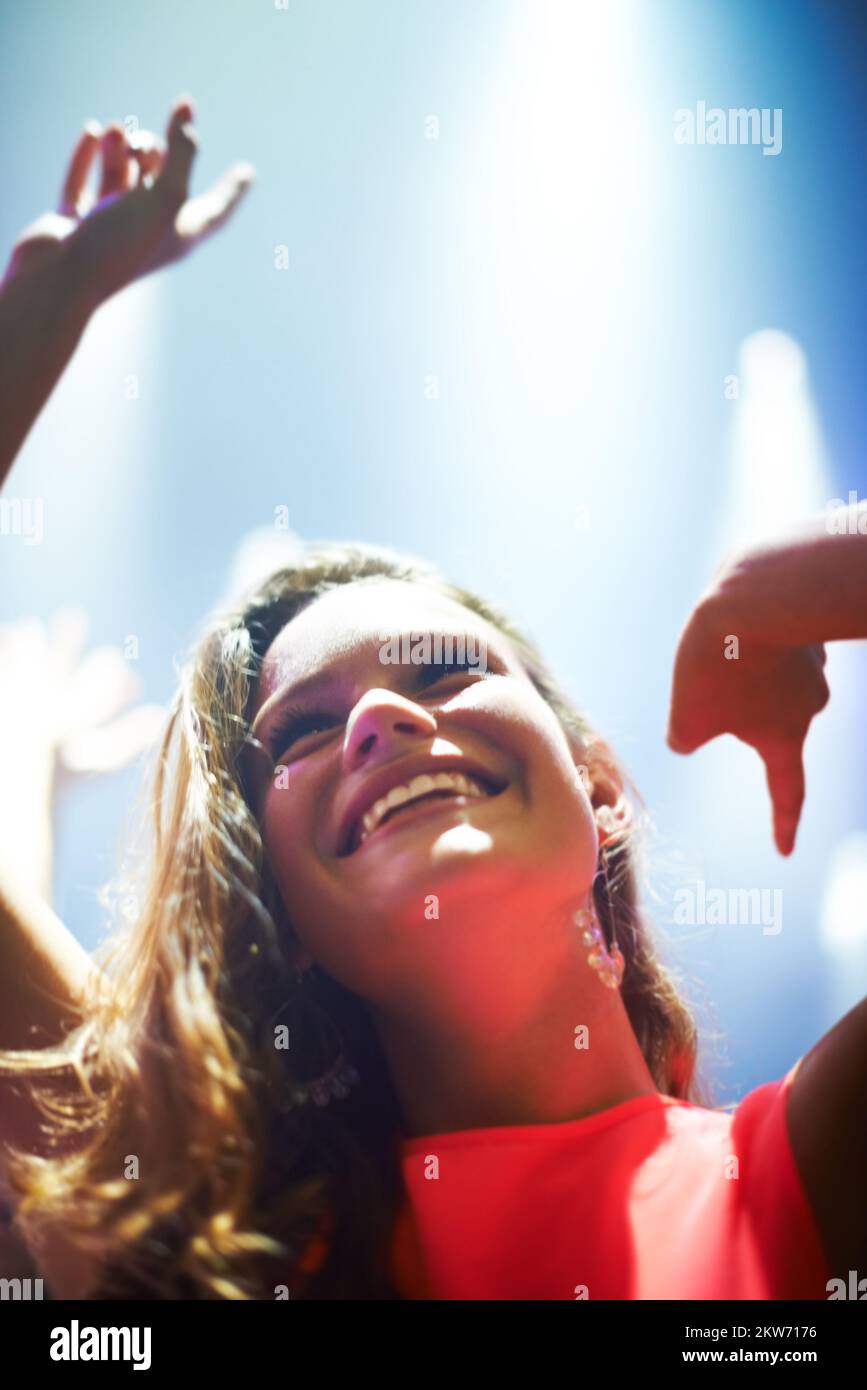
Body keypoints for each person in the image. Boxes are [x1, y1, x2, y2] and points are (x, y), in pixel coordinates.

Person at [0, 100, 864, 1302]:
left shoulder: (816, 1170)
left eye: (446, 671)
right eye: (300, 731)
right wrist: (30, 326)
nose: (377, 721)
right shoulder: (201, 1234)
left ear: (602, 786)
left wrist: (777, 580)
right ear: (283, 909)